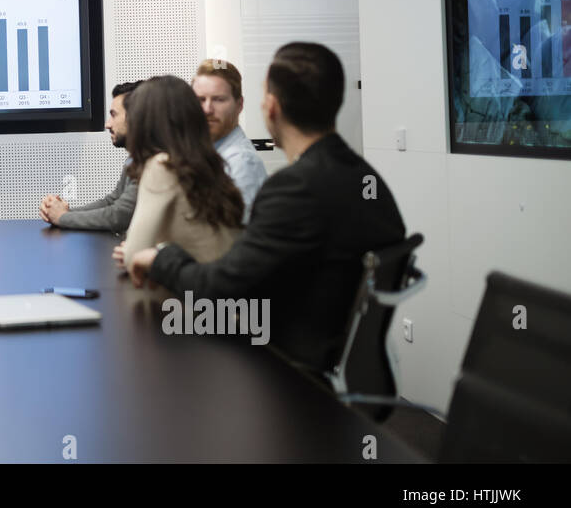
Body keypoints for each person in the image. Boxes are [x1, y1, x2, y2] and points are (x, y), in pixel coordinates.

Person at [127, 43, 407, 373]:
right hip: (338, 356)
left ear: (270, 107)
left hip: (286, 365)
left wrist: (162, 257)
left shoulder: (295, 189)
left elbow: (221, 287)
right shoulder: (366, 178)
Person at [109, 77, 243, 272]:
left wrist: (137, 252)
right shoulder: (207, 160)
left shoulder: (162, 165)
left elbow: (132, 256)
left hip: (197, 295)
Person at [40, 81, 141, 232]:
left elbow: (119, 215)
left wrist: (62, 217)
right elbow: (112, 201)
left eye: (113, 115)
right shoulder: (134, 159)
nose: (107, 124)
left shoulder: (152, 162)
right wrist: (64, 214)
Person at [192, 58, 269, 220]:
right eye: (200, 100)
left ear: (239, 105)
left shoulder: (242, 162)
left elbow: (231, 237)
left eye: (218, 99)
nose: (207, 109)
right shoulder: (205, 153)